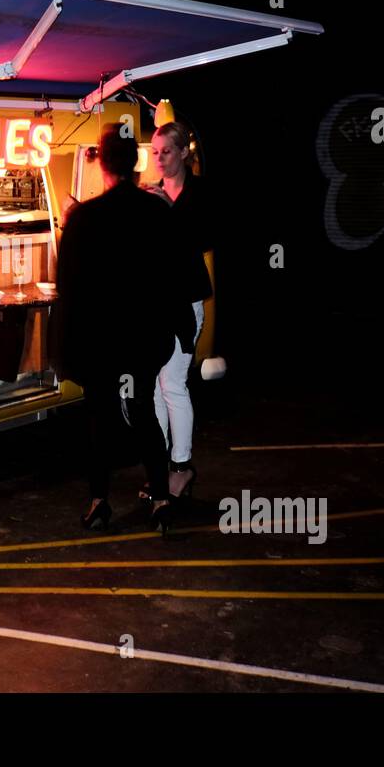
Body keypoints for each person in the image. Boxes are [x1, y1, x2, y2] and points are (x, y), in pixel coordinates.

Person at [52, 124, 195, 535]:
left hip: (101, 341)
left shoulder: (85, 218)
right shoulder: (156, 211)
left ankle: (99, 502)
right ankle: (162, 500)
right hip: (144, 338)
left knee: (100, 419)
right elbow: (177, 277)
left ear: (103, 163)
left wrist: (68, 348)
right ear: (135, 161)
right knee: (145, 412)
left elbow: (69, 287)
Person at [143, 121, 214, 502]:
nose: (159, 159)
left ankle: (181, 468)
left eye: (165, 152)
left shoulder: (199, 193)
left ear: (184, 152)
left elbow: (200, 240)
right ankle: (160, 467)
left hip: (185, 302)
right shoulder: (151, 192)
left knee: (173, 384)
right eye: (154, 152)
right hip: (155, 302)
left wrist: (168, 210)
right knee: (153, 387)